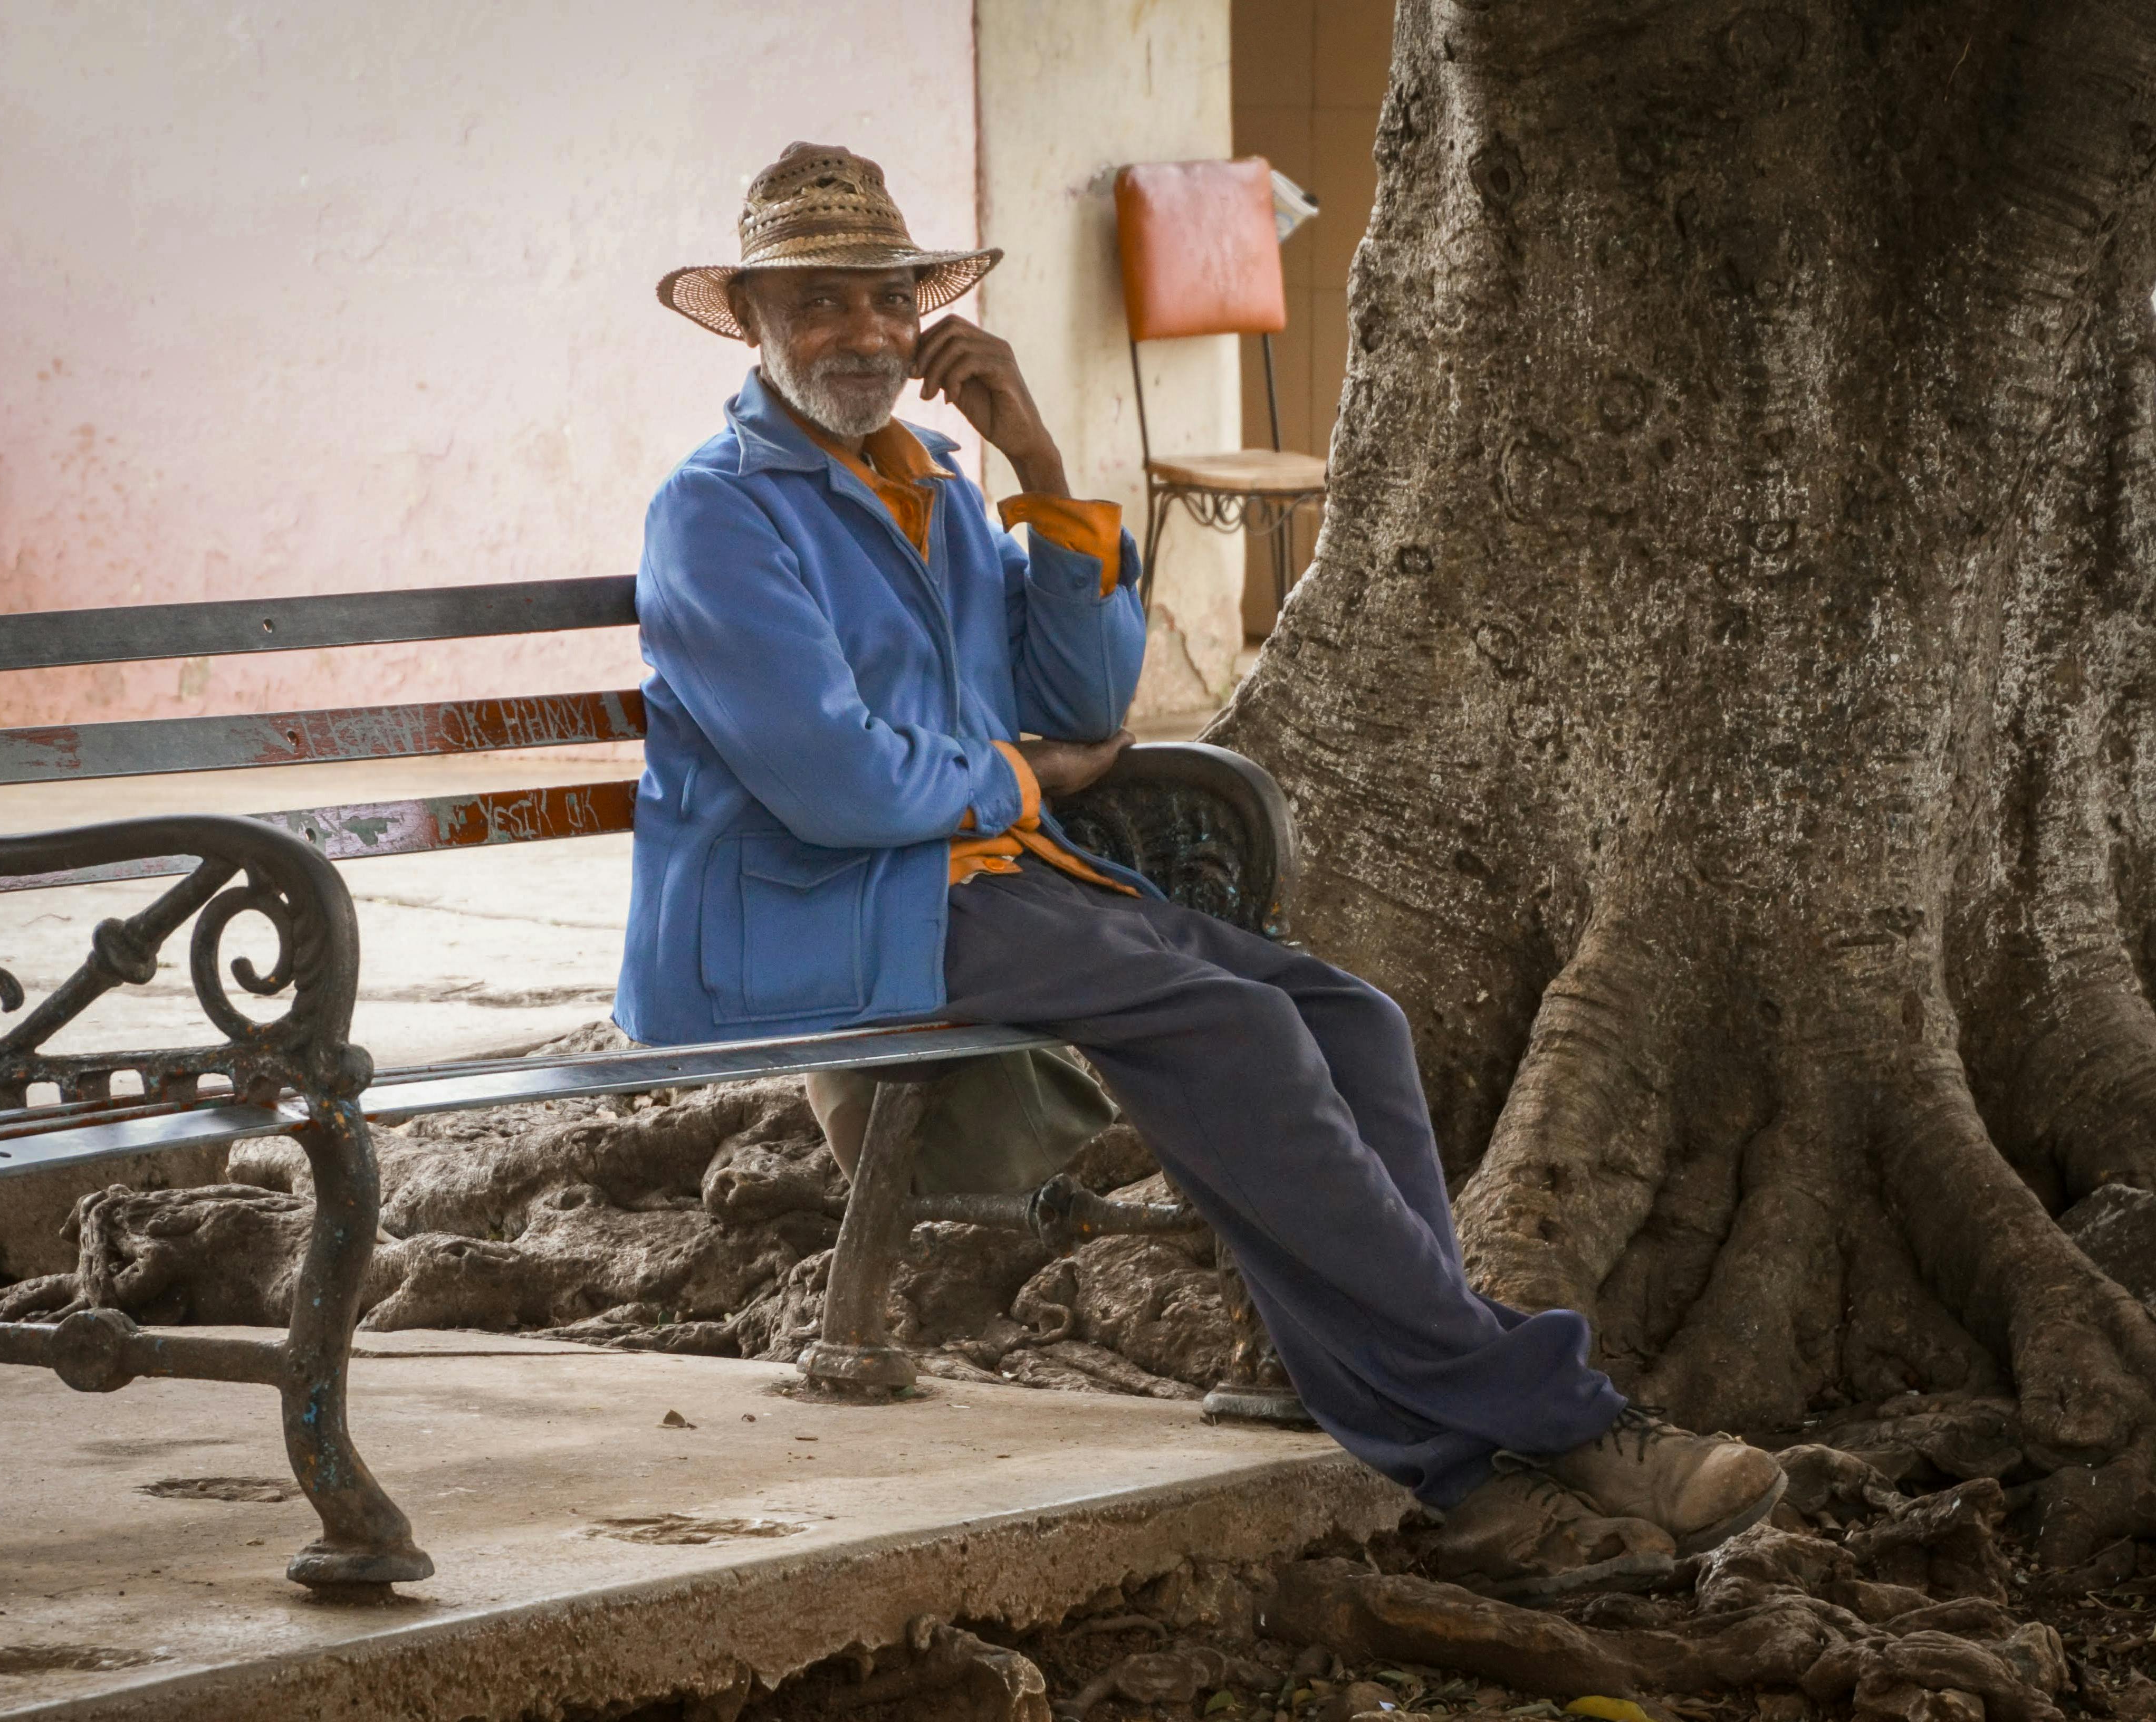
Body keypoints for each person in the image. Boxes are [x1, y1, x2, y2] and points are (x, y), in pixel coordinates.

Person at [617, 142, 1784, 1595]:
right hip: (813, 908)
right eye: (819, 303)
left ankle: (1467, 1477)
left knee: (1349, 1016)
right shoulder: (720, 509)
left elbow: (1093, 694)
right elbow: (841, 787)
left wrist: (1041, 466)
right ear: (754, 323)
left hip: (990, 882)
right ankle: (1554, 1426)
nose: (861, 329)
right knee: (1228, 1024)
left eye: (886, 296)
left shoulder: (940, 486)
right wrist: (1028, 778)